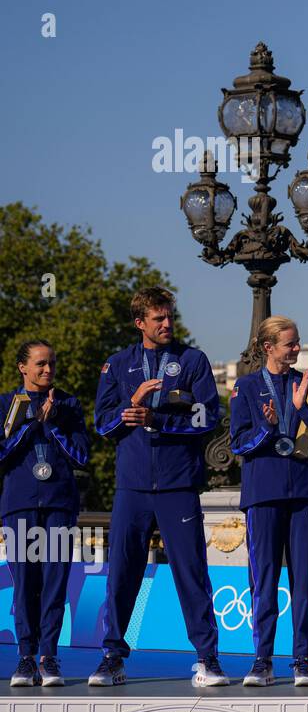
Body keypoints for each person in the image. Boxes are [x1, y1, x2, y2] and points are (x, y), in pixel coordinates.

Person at [91, 286, 227, 687]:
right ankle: (112, 657)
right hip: (131, 487)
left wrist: (159, 420)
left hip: (178, 484)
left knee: (191, 572)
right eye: (158, 318)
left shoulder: (193, 360)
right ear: (140, 323)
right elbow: (102, 425)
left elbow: (208, 417)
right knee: (122, 573)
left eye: (170, 316)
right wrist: (130, 406)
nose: (167, 323)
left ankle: (207, 659)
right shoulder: (117, 364)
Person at [229, 316, 308, 687]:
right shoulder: (247, 387)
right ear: (269, 347)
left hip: (305, 494)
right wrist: (266, 428)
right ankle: (262, 661)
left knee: (305, 582)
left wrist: (306, 409)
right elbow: (237, 444)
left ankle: (303, 661)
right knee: (263, 581)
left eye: (297, 342)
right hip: (263, 496)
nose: (297, 348)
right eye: (290, 344)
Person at [0, 340, 89, 687]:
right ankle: (25, 658)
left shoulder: (68, 403)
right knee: (24, 583)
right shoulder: (7, 404)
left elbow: (81, 456)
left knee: (54, 582)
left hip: (59, 504)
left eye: (51, 363)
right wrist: (31, 424)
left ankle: (48, 657)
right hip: (20, 503)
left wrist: (52, 425)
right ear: (22, 367)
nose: (48, 370)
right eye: (40, 364)